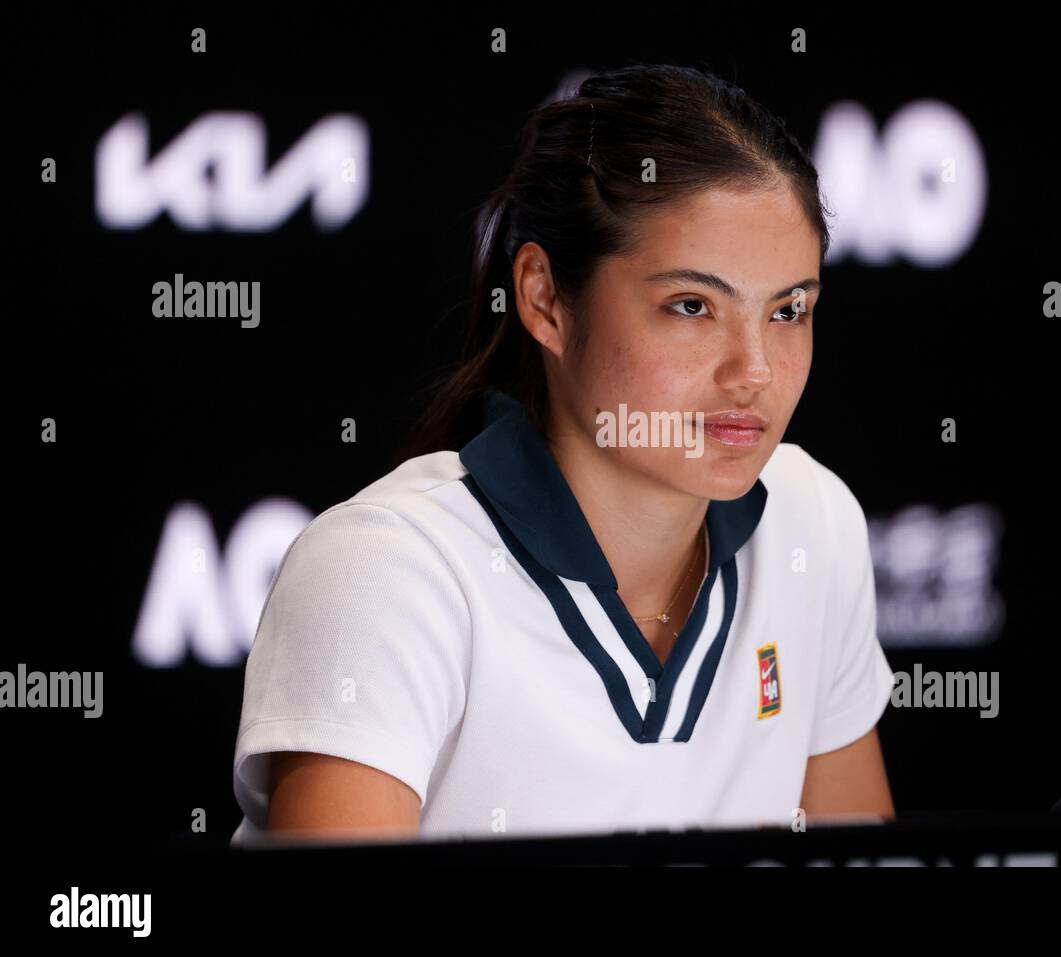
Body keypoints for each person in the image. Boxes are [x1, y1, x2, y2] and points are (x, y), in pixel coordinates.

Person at [230, 63, 895, 846]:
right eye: (691, 305)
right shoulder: (387, 571)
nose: (753, 370)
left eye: (790, 310)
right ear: (544, 299)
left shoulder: (813, 521)